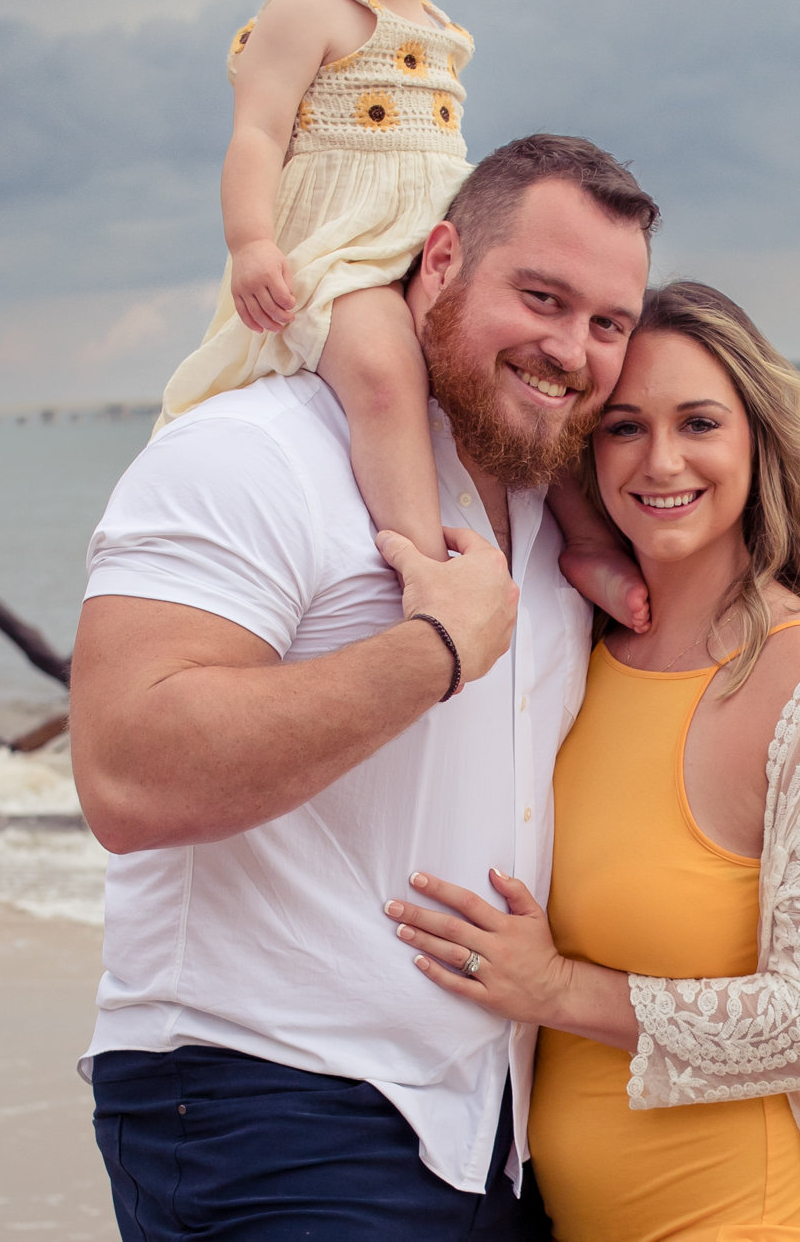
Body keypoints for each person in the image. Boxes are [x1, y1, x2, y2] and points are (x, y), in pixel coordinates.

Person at [72, 136, 658, 1240]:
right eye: (540, 295)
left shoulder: (548, 518)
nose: (569, 347)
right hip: (264, 1093)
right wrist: (432, 646)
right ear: (436, 261)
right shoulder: (252, 453)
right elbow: (124, 769)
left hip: (489, 1123)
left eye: (606, 322)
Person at [386, 280, 800, 1241]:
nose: (661, 459)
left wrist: (556, 990)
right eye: (624, 426)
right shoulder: (564, 649)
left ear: (758, 438)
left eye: (699, 422)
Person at [156, 0, 649, 633]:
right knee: (384, 374)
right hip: (345, 250)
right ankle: (426, 566)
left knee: (544, 378)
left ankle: (584, 540)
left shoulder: (444, 25)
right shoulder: (312, 2)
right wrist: (251, 244)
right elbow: (257, 131)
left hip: (433, 245)